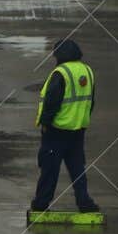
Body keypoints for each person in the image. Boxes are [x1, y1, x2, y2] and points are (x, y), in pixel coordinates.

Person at [28, 39, 99, 221]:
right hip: (78, 130)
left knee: (50, 169)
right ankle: (85, 203)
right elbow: (91, 101)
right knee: (77, 169)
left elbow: (51, 102)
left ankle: (41, 204)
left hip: (56, 130)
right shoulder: (87, 71)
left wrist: (45, 123)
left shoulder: (61, 73)